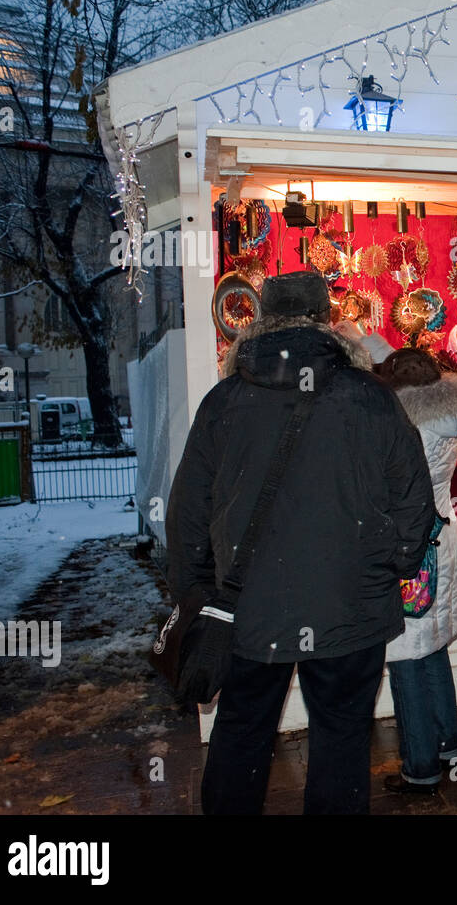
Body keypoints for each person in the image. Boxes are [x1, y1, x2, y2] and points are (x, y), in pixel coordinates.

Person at [166, 272, 435, 815]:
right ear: (325, 322)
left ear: (261, 322)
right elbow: (414, 496)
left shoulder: (224, 401)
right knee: (340, 735)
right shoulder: (371, 398)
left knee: (241, 730)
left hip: (248, 607)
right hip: (350, 603)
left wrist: (196, 591)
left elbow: (187, 510)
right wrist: (400, 562)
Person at [372, 348, 457, 797]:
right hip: (443, 538)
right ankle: (447, 744)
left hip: (414, 549)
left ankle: (420, 767)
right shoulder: (446, 414)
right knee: (433, 648)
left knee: (407, 657)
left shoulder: (402, 427)